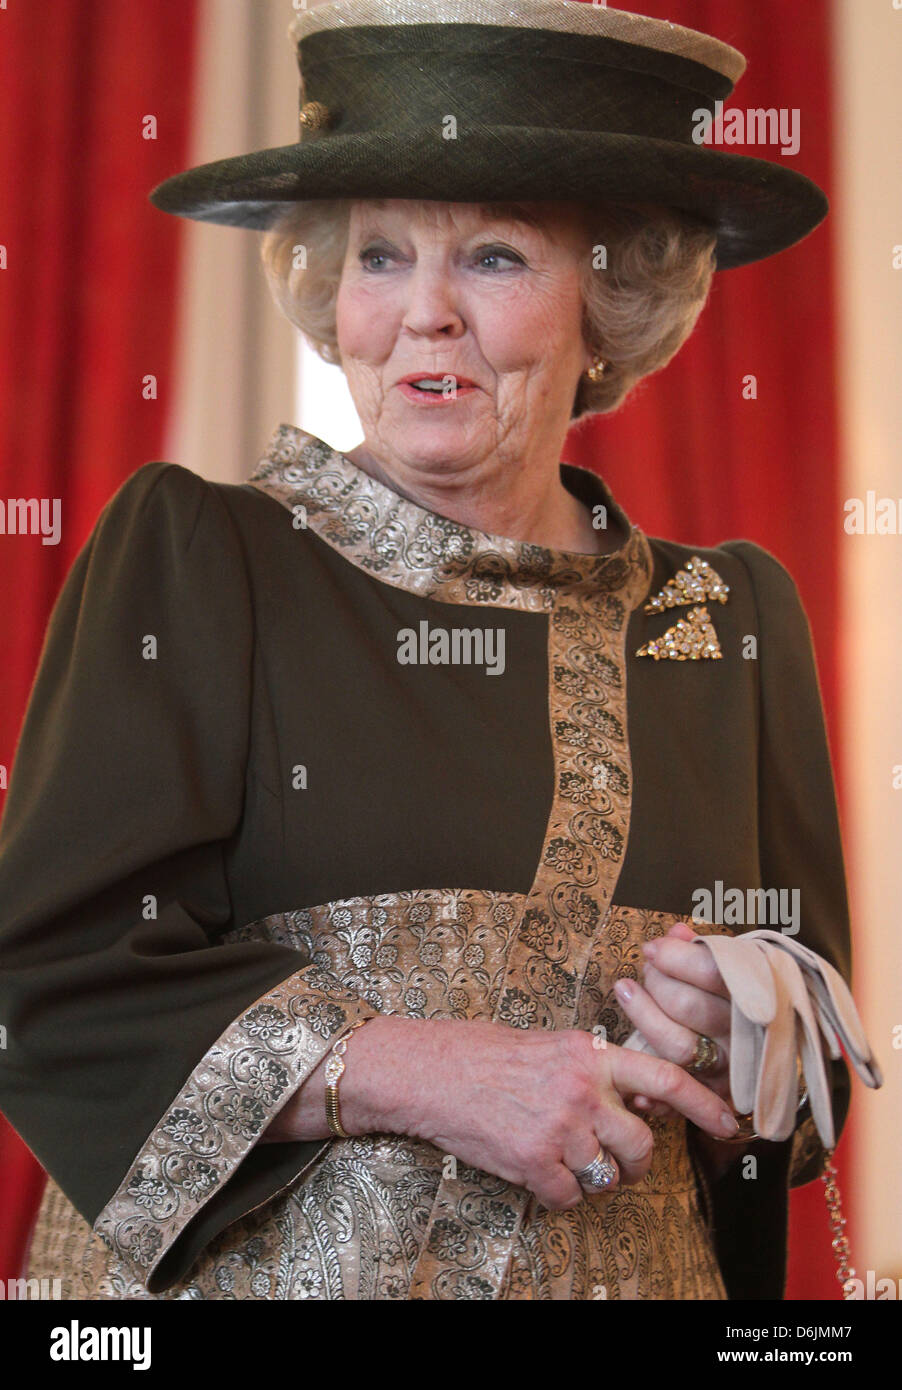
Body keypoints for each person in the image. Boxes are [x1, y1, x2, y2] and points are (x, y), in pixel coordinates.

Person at [0, 0, 850, 1301]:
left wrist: (751, 1039)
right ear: (330, 297)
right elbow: (48, 985)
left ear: (610, 303)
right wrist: (418, 1070)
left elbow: (802, 1096)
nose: (424, 314)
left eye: (497, 258)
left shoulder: (725, 617)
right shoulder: (201, 558)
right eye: (380, 256)